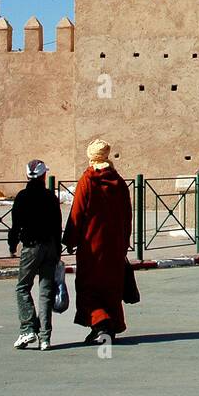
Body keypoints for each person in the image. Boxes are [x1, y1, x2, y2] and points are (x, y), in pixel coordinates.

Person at [63, 140, 133, 344]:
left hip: (92, 246)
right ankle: (109, 325)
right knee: (112, 286)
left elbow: (77, 212)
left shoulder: (88, 180)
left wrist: (70, 239)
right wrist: (124, 241)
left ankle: (101, 323)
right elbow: (127, 215)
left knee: (89, 286)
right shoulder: (119, 182)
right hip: (115, 245)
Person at [8, 159, 64, 351]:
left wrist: (12, 244)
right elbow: (57, 225)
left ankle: (28, 328)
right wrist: (58, 249)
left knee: (22, 287)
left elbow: (15, 225)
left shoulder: (22, 197)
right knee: (45, 291)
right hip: (49, 246)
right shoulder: (50, 197)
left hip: (31, 247)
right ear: (43, 176)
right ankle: (45, 338)